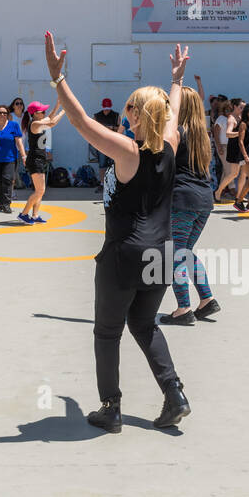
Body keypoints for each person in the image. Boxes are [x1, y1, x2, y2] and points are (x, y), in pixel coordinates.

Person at [45, 31, 190, 432]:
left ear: (142, 116)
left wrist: (58, 79)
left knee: (107, 333)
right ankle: (174, 392)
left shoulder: (129, 151)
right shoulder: (171, 143)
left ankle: (111, 408)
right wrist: (176, 81)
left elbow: (80, 122)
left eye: (130, 107)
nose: (125, 113)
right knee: (145, 325)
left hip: (125, 255)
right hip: (161, 253)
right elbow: (174, 113)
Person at [161, 86, 220, 326]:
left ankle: (183, 308)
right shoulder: (202, 135)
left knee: (175, 255)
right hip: (204, 201)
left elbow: (163, 165)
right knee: (185, 252)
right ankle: (207, 299)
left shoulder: (177, 133)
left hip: (182, 200)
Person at [21, 101, 65, 224]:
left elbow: (50, 117)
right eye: (43, 111)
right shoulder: (34, 124)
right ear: (35, 114)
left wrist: (58, 104)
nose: (45, 113)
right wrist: (63, 111)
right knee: (40, 190)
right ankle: (24, 214)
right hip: (35, 160)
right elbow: (52, 122)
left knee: (40, 190)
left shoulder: (38, 122)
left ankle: (35, 215)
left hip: (39, 160)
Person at [212, 98, 241, 204]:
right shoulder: (220, 119)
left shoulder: (233, 118)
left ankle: (218, 192)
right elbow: (216, 132)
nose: (229, 111)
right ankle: (231, 190)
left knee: (226, 171)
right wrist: (218, 146)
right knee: (230, 171)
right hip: (223, 146)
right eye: (227, 109)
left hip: (231, 147)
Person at [91, 98, 122, 185]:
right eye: (105, 108)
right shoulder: (97, 116)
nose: (106, 110)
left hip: (113, 143)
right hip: (101, 143)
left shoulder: (116, 116)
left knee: (114, 163)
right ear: (102, 107)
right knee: (102, 163)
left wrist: (112, 128)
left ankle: (114, 183)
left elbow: (120, 128)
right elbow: (91, 128)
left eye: (108, 108)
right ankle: (102, 183)